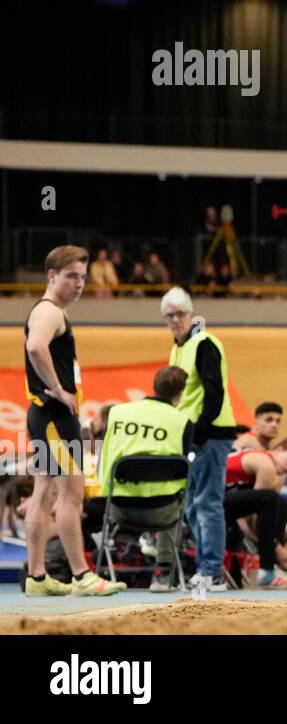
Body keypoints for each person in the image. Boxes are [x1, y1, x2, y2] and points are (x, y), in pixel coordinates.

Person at [23, 245, 124, 596]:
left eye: (83, 277)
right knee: (70, 495)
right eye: (72, 277)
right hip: (55, 416)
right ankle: (82, 576)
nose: (79, 284)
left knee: (44, 492)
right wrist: (59, 390)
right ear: (52, 276)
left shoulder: (47, 311)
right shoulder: (50, 312)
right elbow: (36, 347)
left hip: (42, 415)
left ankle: (37, 578)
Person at [162, 286, 238, 594]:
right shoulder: (177, 349)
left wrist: (202, 431)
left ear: (191, 314)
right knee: (193, 505)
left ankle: (212, 571)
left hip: (211, 433)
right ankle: (206, 568)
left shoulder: (205, 344)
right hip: (190, 435)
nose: (175, 320)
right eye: (170, 316)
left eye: (180, 314)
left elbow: (214, 392)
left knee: (208, 503)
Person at [98, 366, 193, 592]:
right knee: (179, 499)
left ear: (154, 386)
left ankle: (105, 568)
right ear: (180, 394)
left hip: (118, 509)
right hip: (162, 513)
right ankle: (162, 572)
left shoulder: (117, 413)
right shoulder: (183, 422)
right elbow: (183, 468)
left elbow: (104, 454)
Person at [223, 442, 287, 588]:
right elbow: (246, 521)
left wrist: (273, 545)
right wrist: (276, 547)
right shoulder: (266, 465)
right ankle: (267, 570)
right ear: (279, 449)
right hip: (207, 501)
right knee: (271, 499)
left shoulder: (263, 461)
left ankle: (272, 568)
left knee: (281, 502)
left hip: (223, 499)